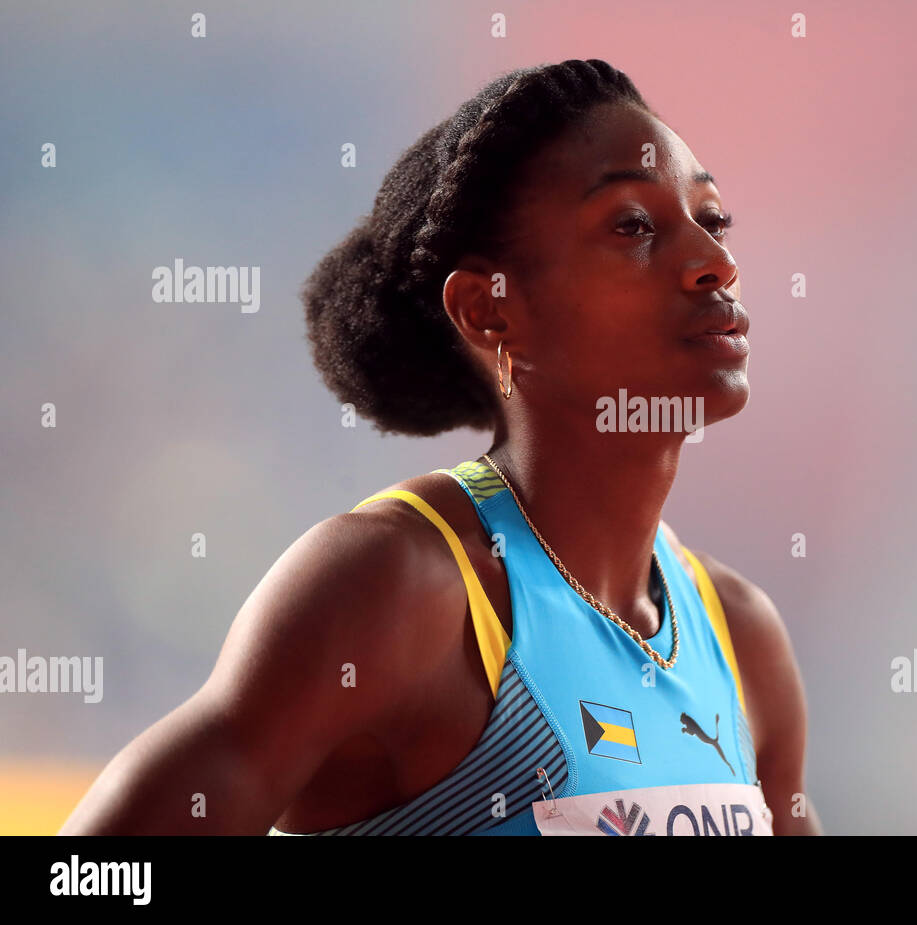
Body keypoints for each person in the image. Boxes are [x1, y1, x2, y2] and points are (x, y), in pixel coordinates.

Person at [60, 58, 822, 836]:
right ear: (489, 312)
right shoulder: (399, 589)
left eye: (713, 219)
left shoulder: (739, 634)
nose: (717, 263)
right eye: (632, 226)